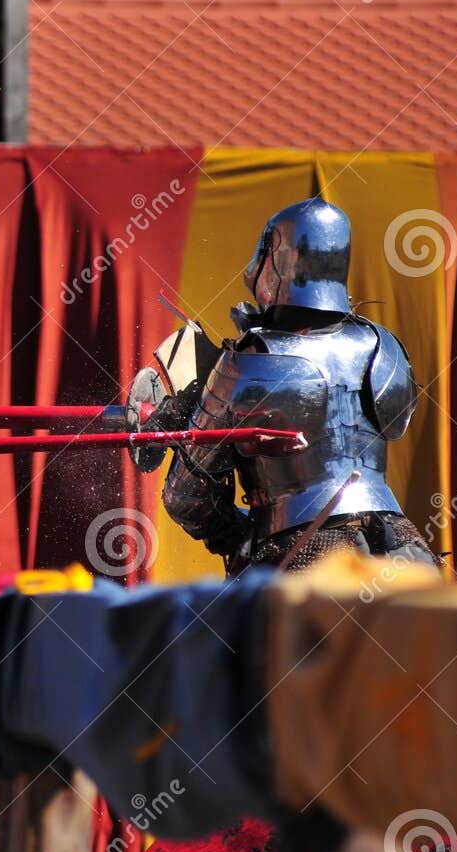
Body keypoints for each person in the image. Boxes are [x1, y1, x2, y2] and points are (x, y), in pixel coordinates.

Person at [160, 198, 435, 572]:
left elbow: (185, 498)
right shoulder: (383, 346)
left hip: (303, 551)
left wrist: (237, 535)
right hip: (400, 544)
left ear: (275, 257)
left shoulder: (250, 359)